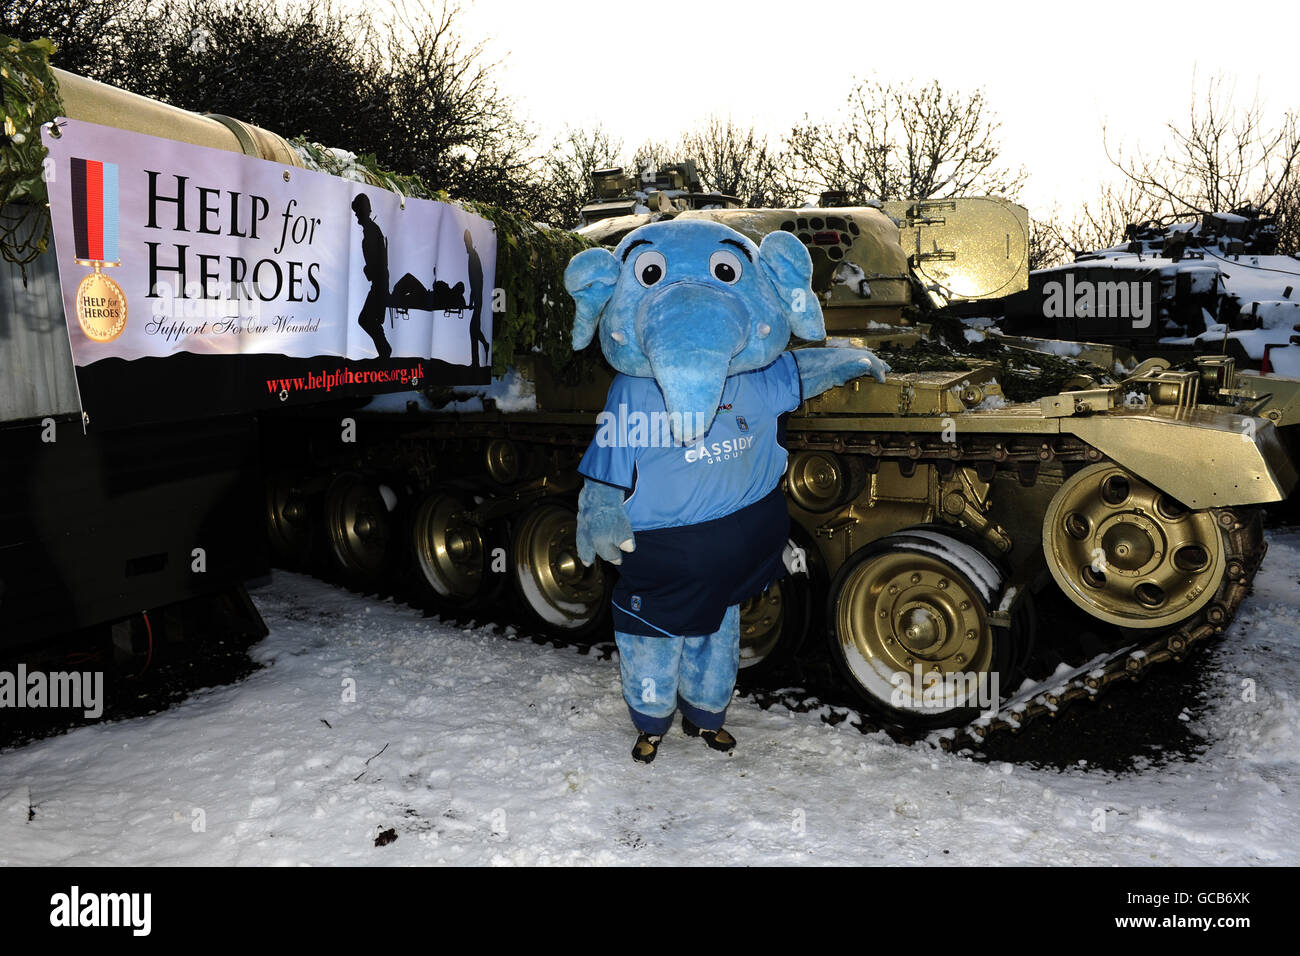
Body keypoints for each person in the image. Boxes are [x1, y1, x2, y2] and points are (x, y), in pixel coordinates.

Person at [352, 193, 392, 359]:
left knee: (366, 319)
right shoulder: (372, 230)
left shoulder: (371, 231)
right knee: (368, 319)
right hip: (379, 283)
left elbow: (378, 262)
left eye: (357, 211)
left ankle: (385, 350)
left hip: (379, 283)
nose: (356, 215)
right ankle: (384, 350)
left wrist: (368, 270)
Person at [464, 228, 489, 369]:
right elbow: (476, 280)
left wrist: (473, 300)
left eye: (466, 241)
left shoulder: (473, 256)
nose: (465, 244)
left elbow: (476, 280)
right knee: (474, 329)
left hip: (478, 297)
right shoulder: (473, 255)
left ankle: (476, 360)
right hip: (477, 297)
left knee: (473, 329)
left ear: (470, 241)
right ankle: (476, 360)